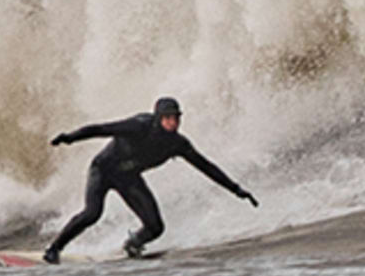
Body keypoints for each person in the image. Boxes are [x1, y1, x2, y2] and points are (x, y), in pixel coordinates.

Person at [43, 95, 256, 261]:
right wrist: (70, 138)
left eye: (176, 118)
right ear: (158, 118)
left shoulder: (177, 144)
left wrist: (236, 189)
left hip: (128, 178)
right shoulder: (139, 126)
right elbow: (102, 129)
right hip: (103, 170)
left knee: (155, 227)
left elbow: (206, 167)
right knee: (92, 213)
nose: (173, 123)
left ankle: (133, 244)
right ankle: (54, 248)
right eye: (168, 118)